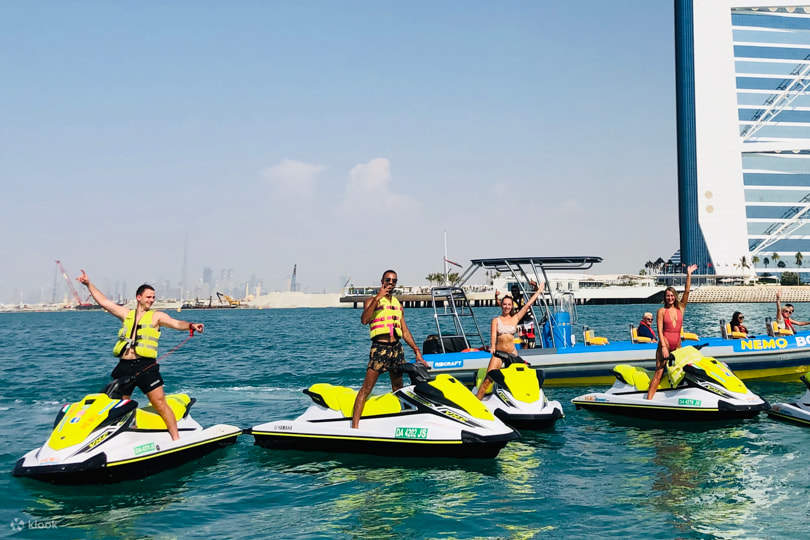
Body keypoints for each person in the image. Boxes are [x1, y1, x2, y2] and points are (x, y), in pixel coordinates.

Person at [77, 271, 204, 440]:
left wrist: (191, 325)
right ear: (138, 297)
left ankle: (176, 438)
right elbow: (104, 302)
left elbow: (175, 323)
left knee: (159, 403)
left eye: (153, 297)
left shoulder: (157, 316)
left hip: (146, 366)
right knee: (119, 404)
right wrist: (88, 284)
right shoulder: (126, 314)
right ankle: (124, 437)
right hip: (124, 366)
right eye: (148, 297)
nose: (151, 300)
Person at [351, 270, 427, 429]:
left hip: (396, 349)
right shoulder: (372, 301)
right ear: (382, 281)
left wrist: (416, 351)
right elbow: (364, 320)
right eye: (388, 280)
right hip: (380, 348)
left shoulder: (398, 304)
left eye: (394, 281)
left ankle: (399, 422)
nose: (391, 283)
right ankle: (355, 426)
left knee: (398, 388)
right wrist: (378, 298)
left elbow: (404, 331)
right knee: (366, 388)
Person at [476, 280, 544, 400]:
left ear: (511, 306)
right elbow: (493, 336)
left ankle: (526, 401)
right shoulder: (496, 320)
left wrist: (538, 291)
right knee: (488, 380)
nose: (507, 306)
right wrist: (492, 347)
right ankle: (477, 401)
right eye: (504, 304)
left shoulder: (515, 318)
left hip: (512, 354)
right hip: (498, 354)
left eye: (509, 304)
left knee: (522, 378)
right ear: (501, 305)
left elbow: (528, 304)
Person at [646, 264, 698, 400]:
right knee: (659, 372)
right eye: (667, 296)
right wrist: (663, 347)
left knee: (682, 371)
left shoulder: (681, 308)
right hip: (666, 344)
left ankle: (678, 397)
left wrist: (689, 274)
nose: (670, 298)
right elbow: (660, 331)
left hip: (677, 345)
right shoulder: (661, 311)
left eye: (672, 296)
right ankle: (649, 400)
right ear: (665, 298)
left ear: (675, 296)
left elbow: (687, 291)